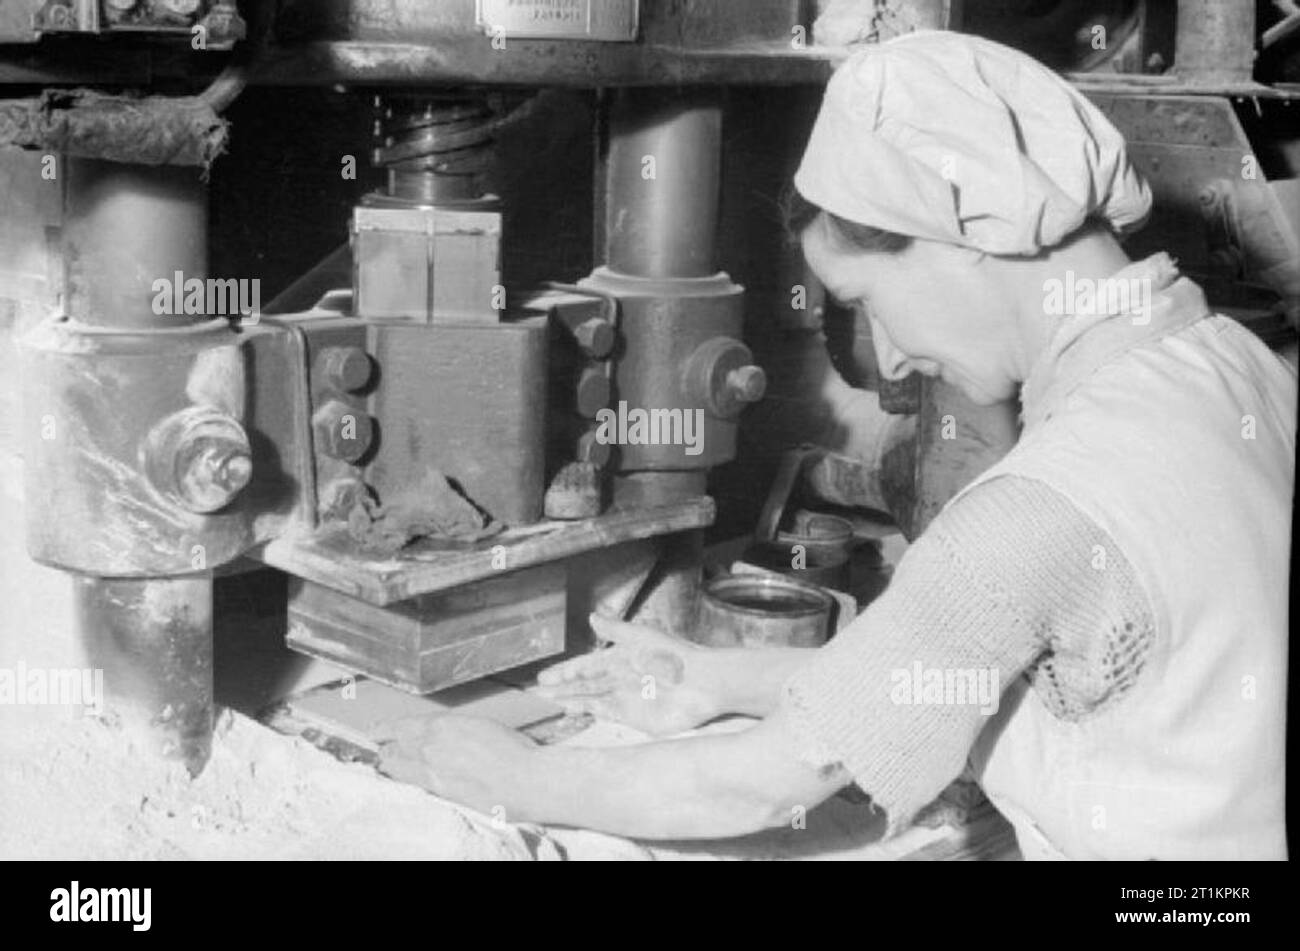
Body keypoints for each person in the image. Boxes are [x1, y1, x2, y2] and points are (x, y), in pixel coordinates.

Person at [376, 31, 1294, 860]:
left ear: (966, 231)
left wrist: (511, 776)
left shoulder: (1042, 502)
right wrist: (719, 680)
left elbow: (764, 783)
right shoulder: (1239, 368)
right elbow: (982, 667)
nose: (889, 354)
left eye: (865, 301)